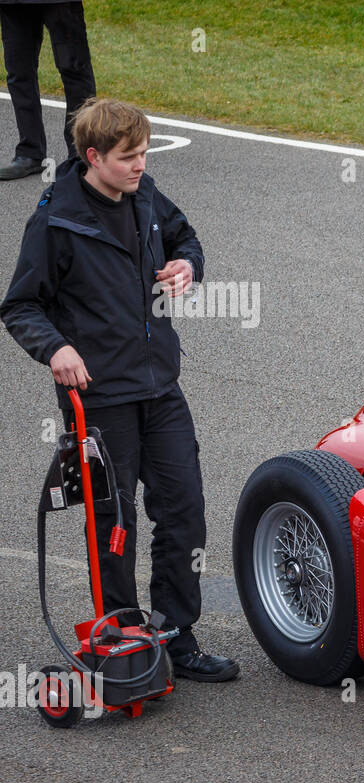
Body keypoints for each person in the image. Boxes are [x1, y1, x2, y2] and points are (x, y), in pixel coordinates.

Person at [1, 98, 237, 681]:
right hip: (100, 398)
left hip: (161, 386)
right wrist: (55, 348)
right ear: (93, 157)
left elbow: (187, 239)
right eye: (129, 157)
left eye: (144, 153)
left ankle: (177, 637)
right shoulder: (56, 220)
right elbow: (20, 305)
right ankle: (126, 647)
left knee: (184, 510)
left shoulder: (146, 196)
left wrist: (186, 266)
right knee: (115, 522)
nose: (140, 165)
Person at [0, 1, 96, 180]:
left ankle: (80, 152)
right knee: (18, 73)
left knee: (75, 70)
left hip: (60, 3)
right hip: (12, 3)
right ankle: (30, 152)